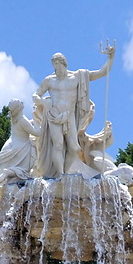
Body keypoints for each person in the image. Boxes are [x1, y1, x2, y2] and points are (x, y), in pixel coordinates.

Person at [33, 42, 115, 177]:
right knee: (58, 145)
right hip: (53, 115)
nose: (56, 69)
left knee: (74, 147)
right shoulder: (49, 80)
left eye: (58, 66)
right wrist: (42, 102)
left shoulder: (78, 77)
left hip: (69, 115)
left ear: (64, 64)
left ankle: (64, 172)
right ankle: (60, 175)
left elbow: (102, 73)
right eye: (54, 66)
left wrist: (111, 57)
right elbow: (35, 95)